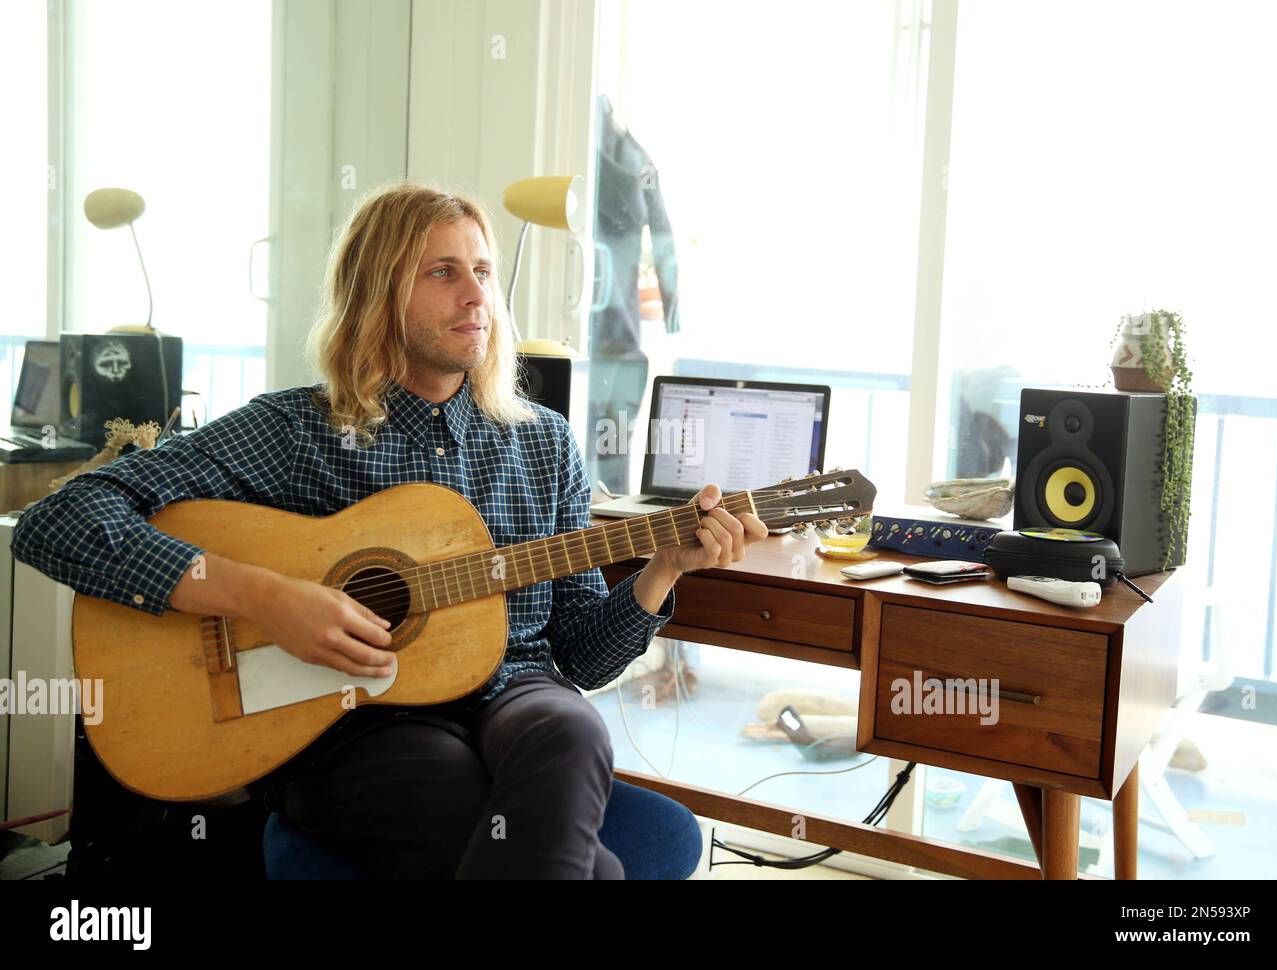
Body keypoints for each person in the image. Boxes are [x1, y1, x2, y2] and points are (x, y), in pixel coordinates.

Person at [11, 181, 768, 879]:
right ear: (377, 293)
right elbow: (61, 520)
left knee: (573, 731)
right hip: (357, 719)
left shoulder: (541, 441)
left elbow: (579, 654)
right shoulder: (292, 429)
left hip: (517, 699)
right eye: (442, 272)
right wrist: (265, 598)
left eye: (481, 270)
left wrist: (661, 571)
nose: (477, 296)